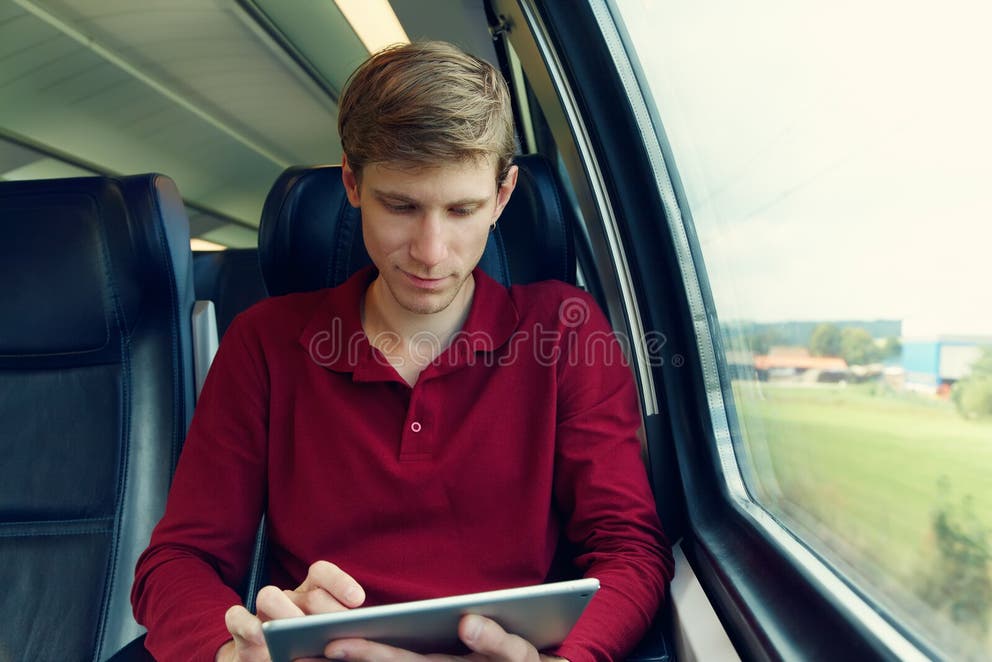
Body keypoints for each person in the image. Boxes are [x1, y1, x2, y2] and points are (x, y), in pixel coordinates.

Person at [131, 41, 673, 662]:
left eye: (462, 209)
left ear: (502, 197)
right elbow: (178, 561)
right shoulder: (264, 342)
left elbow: (628, 548)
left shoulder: (566, 329)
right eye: (401, 206)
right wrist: (228, 654)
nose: (430, 251)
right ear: (352, 183)